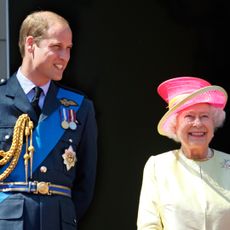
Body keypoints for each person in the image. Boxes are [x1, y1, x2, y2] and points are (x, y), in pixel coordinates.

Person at [0, 10, 97, 230]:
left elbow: (86, 183)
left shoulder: (80, 107)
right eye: (56, 47)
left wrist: (63, 216)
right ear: (31, 44)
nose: (65, 56)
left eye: (69, 48)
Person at [137, 76, 230, 230]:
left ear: (213, 123)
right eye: (189, 116)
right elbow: (148, 225)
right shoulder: (157, 166)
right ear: (175, 125)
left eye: (204, 116)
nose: (198, 123)